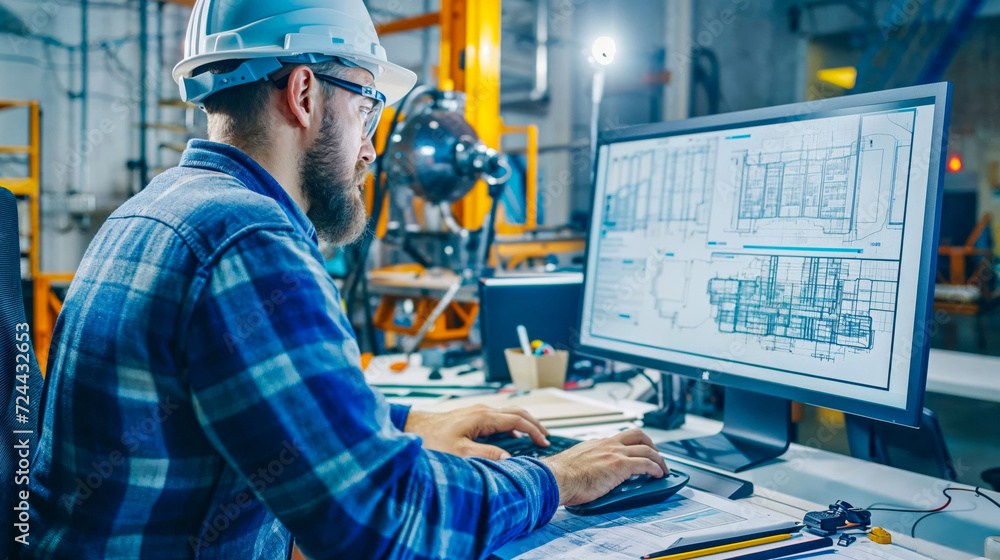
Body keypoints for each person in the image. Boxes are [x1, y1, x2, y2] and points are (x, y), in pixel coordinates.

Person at [24, 1, 669, 558]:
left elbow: (246, 399)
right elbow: (385, 524)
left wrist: (404, 420)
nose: (370, 147)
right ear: (304, 94)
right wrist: (557, 477)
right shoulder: (248, 242)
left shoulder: (156, 208)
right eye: (368, 108)